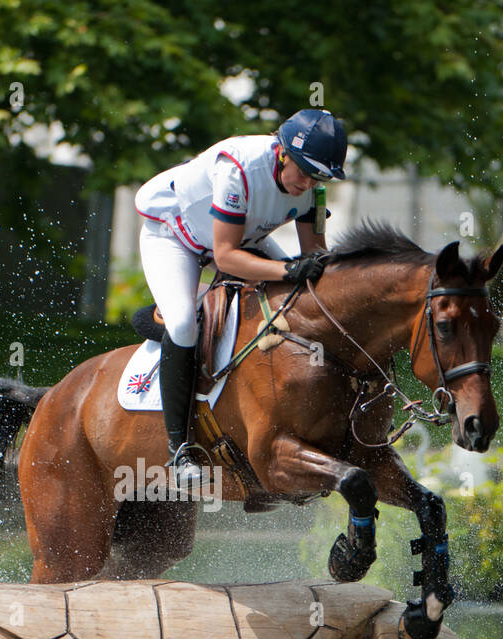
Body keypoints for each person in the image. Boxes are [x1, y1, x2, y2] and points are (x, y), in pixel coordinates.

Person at [134, 108, 348, 490]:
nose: (309, 182)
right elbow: (226, 257)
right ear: (282, 152)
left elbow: (315, 255)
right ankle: (179, 448)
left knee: (302, 290)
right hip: (176, 236)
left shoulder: (313, 187)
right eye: (303, 170)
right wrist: (286, 271)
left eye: (319, 175)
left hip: (243, 237)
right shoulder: (239, 169)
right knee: (183, 324)